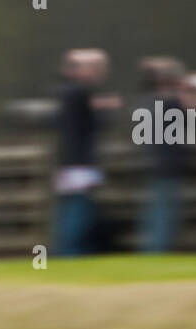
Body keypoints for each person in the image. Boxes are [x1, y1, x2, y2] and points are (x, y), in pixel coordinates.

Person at [52, 48, 117, 257]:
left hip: (68, 160)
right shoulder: (79, 92)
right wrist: (105, 107)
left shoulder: (66, 92)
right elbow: (99, 121)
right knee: (78, 211)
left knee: (75, 208)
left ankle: (70, 250)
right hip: (79, 162)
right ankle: (69, 252)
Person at [136, 57, 189, 254]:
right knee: (163, 211)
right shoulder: (171, 103)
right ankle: (155, 250)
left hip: (155, 160)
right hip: (168, 162)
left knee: (155, 209)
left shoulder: (151, 100)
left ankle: (149, 249)